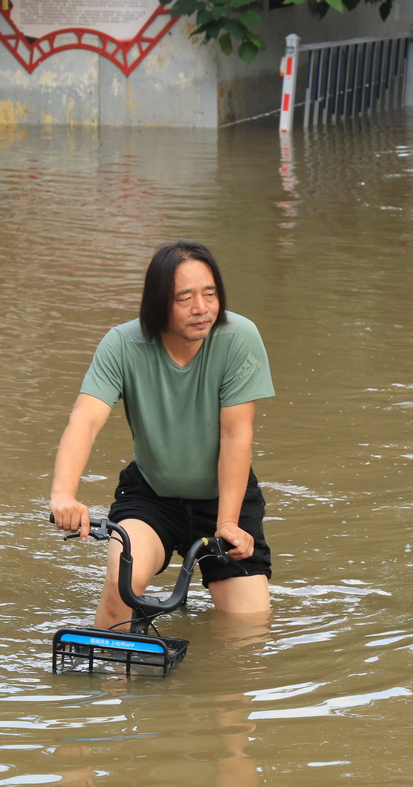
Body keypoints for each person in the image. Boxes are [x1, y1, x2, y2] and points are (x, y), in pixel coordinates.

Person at [49, 240, 275, 630]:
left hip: (225, 498)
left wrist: (227, 523)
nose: (201, 308)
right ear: (157, 303)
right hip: (151, 496)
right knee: (120, 588)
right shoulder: (122, 344)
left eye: (210, 295)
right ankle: (110, 664)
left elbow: (236, 436)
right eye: (185, 298)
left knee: (248, 629)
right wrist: (63, 495)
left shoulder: (239, 337)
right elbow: (84, 420)